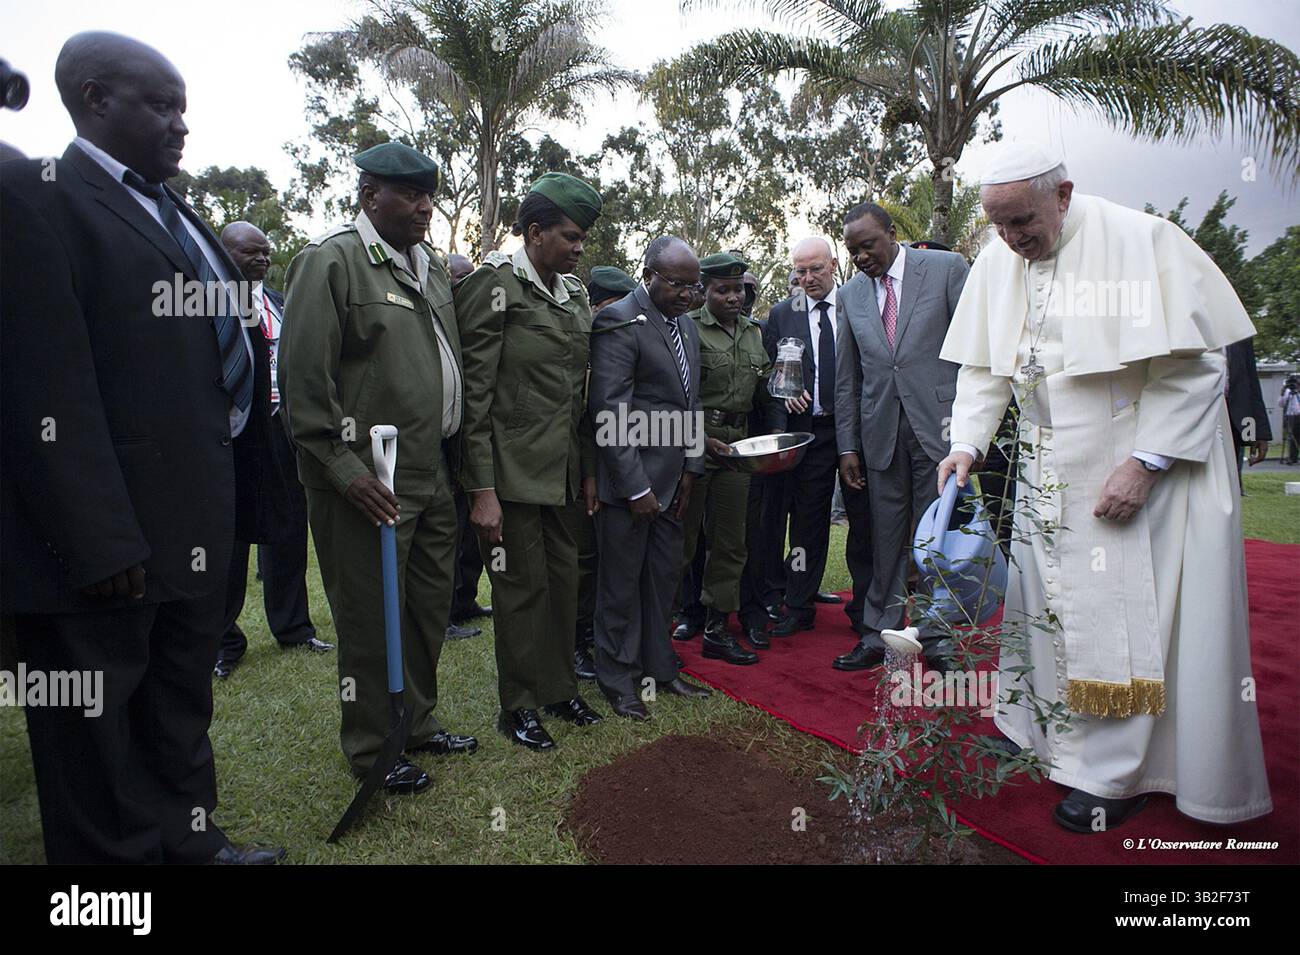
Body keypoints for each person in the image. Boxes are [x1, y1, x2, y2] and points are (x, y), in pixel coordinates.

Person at [0, 31, 283, 863]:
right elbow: (44, 387)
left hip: (192, 515)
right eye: (160, 105)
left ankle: (191, 843)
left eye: (183, 108)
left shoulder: (175, 209)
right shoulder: (40, 198)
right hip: (106, 534)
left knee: (177, 698)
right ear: (93, 100)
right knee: (96, 736)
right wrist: (97, 535)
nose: (180, 125)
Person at [937, 142, 1272, 832]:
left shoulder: (1141, 241)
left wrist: (1146, 462)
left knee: (1116, 622)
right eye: (997, 226)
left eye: (1022, 221)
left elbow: (1200, 367)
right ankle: (1041, 728)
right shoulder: (1003, 258)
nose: (1010, 240)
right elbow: (986, 367)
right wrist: (965, 443)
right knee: (1043, 611)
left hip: (1133, 468)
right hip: (1048, 467)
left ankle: (1115, 772)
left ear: (1062, 195)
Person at [279, 142, 477, 797]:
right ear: (370, 195)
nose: (426, 207)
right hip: (366, 482)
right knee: (370, 619)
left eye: (430, 195)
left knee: (424, 612)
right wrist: (343, 468)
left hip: (428, 472)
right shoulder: (332, 261)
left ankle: (416, 724)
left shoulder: (431, 268)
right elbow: (304, 382)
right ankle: (371, 747)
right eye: (410, 194)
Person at [455, 173, 605, 750]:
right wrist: (481, 489)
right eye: (570, 235)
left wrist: (588, 470)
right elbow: (475, 396)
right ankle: (517, 704)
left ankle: (558, 687)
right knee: (518, 589)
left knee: (563, 585)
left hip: (563, 474)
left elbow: (580, 395)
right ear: (535, 232)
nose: (579, 247)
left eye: (582, 236)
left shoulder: (573, 295)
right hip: (510, 475)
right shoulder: (496, 287)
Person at [834, 203, 970, 672]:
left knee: (934, 542)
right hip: (880, 437)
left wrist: (971, 434)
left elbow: (976, 355)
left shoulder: (947, 268)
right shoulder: (850, 296)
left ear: (892, 234)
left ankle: (936, 639)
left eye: (868, 245)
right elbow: (847, 376)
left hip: (942, 434)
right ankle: (877, 635)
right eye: (852, 251)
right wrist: (847, 445)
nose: (861, 257)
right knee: (884, 540)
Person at [588, 236, 712, 719]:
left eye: (692, 285)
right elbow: (610, 411)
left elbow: (690, 402)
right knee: (619, 588)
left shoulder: (687, 327)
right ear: (650, 276)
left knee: (663, 582)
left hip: (672, 481)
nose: (686, 293)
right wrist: (637, 487)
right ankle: (617, 680)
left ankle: (661, 669)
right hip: (630, 489)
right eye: (677, 284)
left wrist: (691, 468)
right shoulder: (620, 320)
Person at [215, 221, 330, 678]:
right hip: (235, 432)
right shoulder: (205, 304)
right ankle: (223, 641)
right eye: (250, 252)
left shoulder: (280, 304)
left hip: (283, 429)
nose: (262, 259)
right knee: (231, 538)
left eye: (265, 252)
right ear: (224, 253)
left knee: (287, 528)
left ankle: (294, 627)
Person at [764, 238, 872, 637]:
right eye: (800, 271)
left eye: (816, 269)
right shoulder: (781, 314)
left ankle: (864, 608)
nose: (807, 278)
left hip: (853, 435)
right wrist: (783, 390)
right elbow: (767, 374)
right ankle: (797, 604)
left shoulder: (858, 306)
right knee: (806, 525)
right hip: (806, 436)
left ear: (834, 266)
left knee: (862, 520)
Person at [678, 252, 778, 663]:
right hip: (694, 444)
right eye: (723, 290)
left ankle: (718, 627)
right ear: (704, 291)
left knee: (730, 542)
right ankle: (662, 624)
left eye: (739, 289)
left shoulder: (754, 333)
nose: (734, 297)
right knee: (681, 541)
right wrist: (699, 440)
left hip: (737, 448)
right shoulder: (688, 328)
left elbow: (764, 388)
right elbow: (675, 393)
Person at [1225, 336, 1272, 487]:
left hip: (1233, 426)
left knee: (1230, 486)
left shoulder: (1238, 330)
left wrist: (1256, 433)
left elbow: (1250, 382)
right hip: (1193, 421)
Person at [1277, 375, 1300, 464]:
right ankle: (1292, 457)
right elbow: (1281, 404)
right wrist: (1282, 393)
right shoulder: (1287, 392)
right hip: (1291, 416)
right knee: (1292, 437)